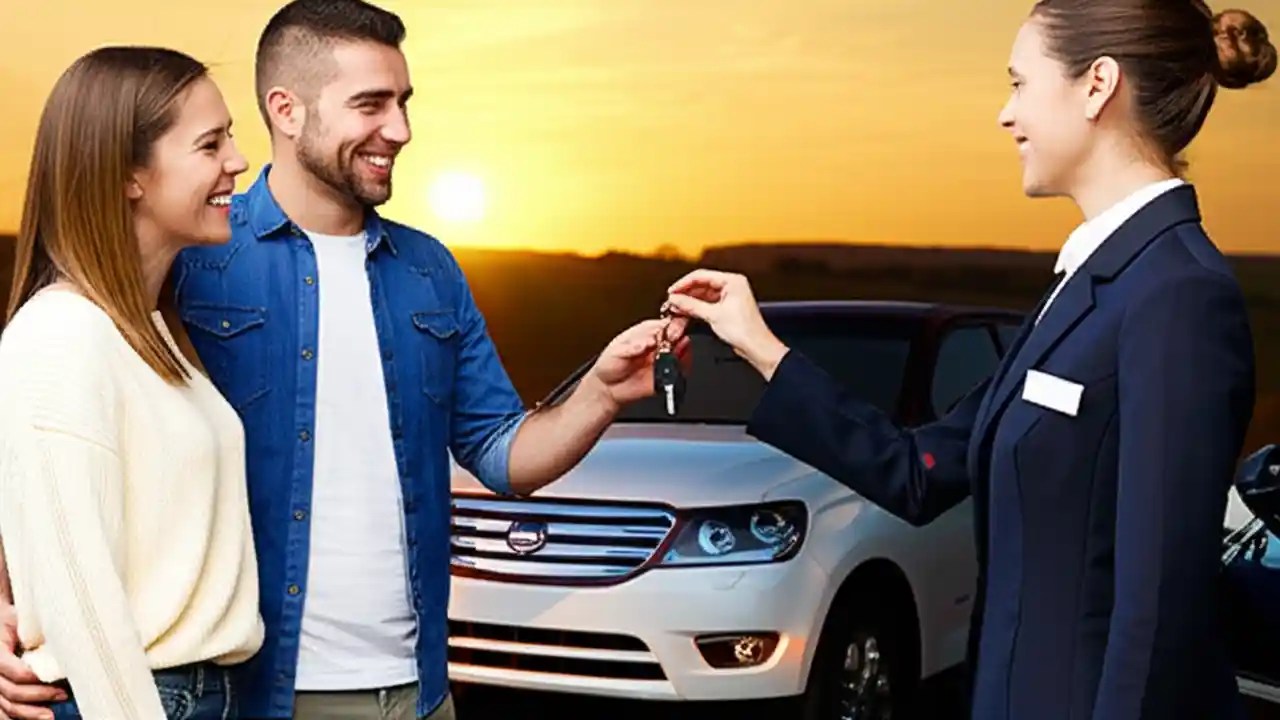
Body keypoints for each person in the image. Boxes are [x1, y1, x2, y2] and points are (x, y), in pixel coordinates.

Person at [0, 2, 688, 720]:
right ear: (287, 110)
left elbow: (498, 451)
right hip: (257, 692)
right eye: (370, 103)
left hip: (416, 689)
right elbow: (43, 453)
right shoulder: (188, 260)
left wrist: (602, 394)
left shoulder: (429, 273)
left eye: (403, 102)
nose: (400, 129)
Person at [663, 2, 1273, 720]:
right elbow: (917, 472)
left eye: (1019, 83)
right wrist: (759, 347)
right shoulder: (1085, 288)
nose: (1004, 115)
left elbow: (1159, 619)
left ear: (1097, 85)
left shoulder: (1178, 293)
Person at [0, 46, 263, 719]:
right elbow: (79, 594)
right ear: (128, 176)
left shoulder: (153, 330)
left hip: (202, 694)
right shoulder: (61, 333)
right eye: (211, 144)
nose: (237, 160)